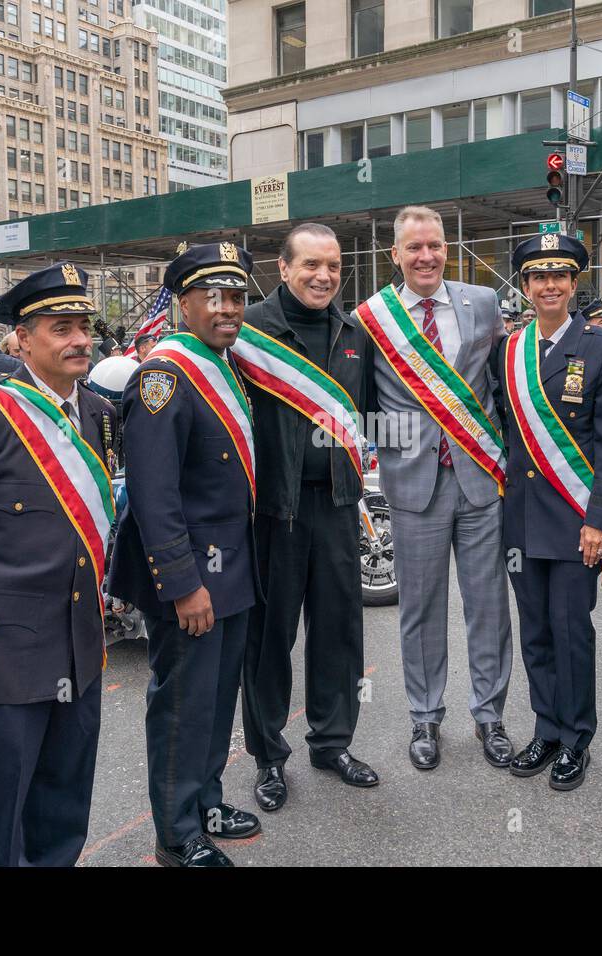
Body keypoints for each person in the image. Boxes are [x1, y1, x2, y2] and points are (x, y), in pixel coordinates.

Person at [0, 261, 119, 866]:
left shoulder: (94, 412)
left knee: (63, 807)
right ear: (22, 338)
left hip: (78, 646)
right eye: (61, 327)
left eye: (85, 326)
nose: (80, 339)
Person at [107, 242, 263, 867]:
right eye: (214, 296)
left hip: (233, 568)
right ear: (183, 303)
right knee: (181, 705)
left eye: (237, 296)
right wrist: (182, 584)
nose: (228, 308)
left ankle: (207, 801)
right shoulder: (165, 377)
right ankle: (176, 832)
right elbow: (153, 493)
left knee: (217, 698)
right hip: (195, 577)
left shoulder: (223, 365)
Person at [355, 205, 514, 770]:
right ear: (393, 255)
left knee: (488, 605)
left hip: (479, 478)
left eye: (436, 246)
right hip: (413, 483)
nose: (426, 257)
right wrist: (401, 440)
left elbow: (500, 384)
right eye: (414, 248)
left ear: (449, 248)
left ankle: (490, 716)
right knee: (420, 608)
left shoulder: (483, 304)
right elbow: (362, 406)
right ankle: (425, 718)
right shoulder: (372, 318)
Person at [233, 223, 379, 813]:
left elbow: (366, 413)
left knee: (339, 632)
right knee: (270, 639)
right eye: (311, 266)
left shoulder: (354, 334)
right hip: (275, 510)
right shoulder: (250, 332)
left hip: (339, 504)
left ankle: (332, 743)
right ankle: (269, 756)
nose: (323, 277)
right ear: (284, 268)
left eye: (334, 267)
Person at [493, 234, 602, 790]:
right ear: (525, 287)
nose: (548, 286)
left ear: (574, 285)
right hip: (523, 520)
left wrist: (600, 520)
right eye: (537, 277)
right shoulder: (507, 351)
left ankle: (576, 739)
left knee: (571, 630)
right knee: (536, 633)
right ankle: (545, 728)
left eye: (559, 277)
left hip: (578, 520)